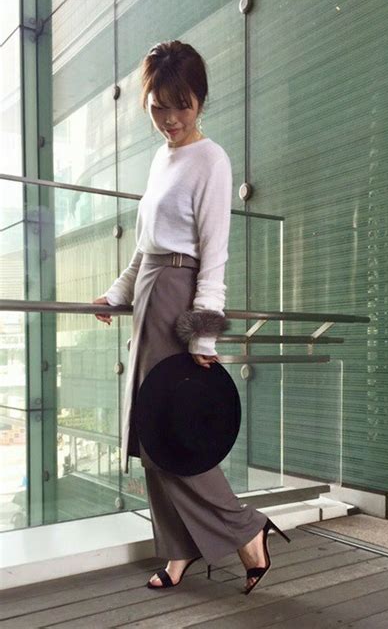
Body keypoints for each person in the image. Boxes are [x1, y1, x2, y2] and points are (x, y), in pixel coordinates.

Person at [93, 40, 289, 595]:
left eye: (181, 106)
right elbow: (145, 246)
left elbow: (214, 252)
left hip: (179, 295)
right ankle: (178, 550)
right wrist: (116, 294)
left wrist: (204, 334)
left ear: (200, 100)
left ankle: (247, 529)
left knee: (169, 432)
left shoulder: (212, 160)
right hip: (150, 292)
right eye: (159, 107)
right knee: (150, 434)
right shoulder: (162, 158)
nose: (170, 119)